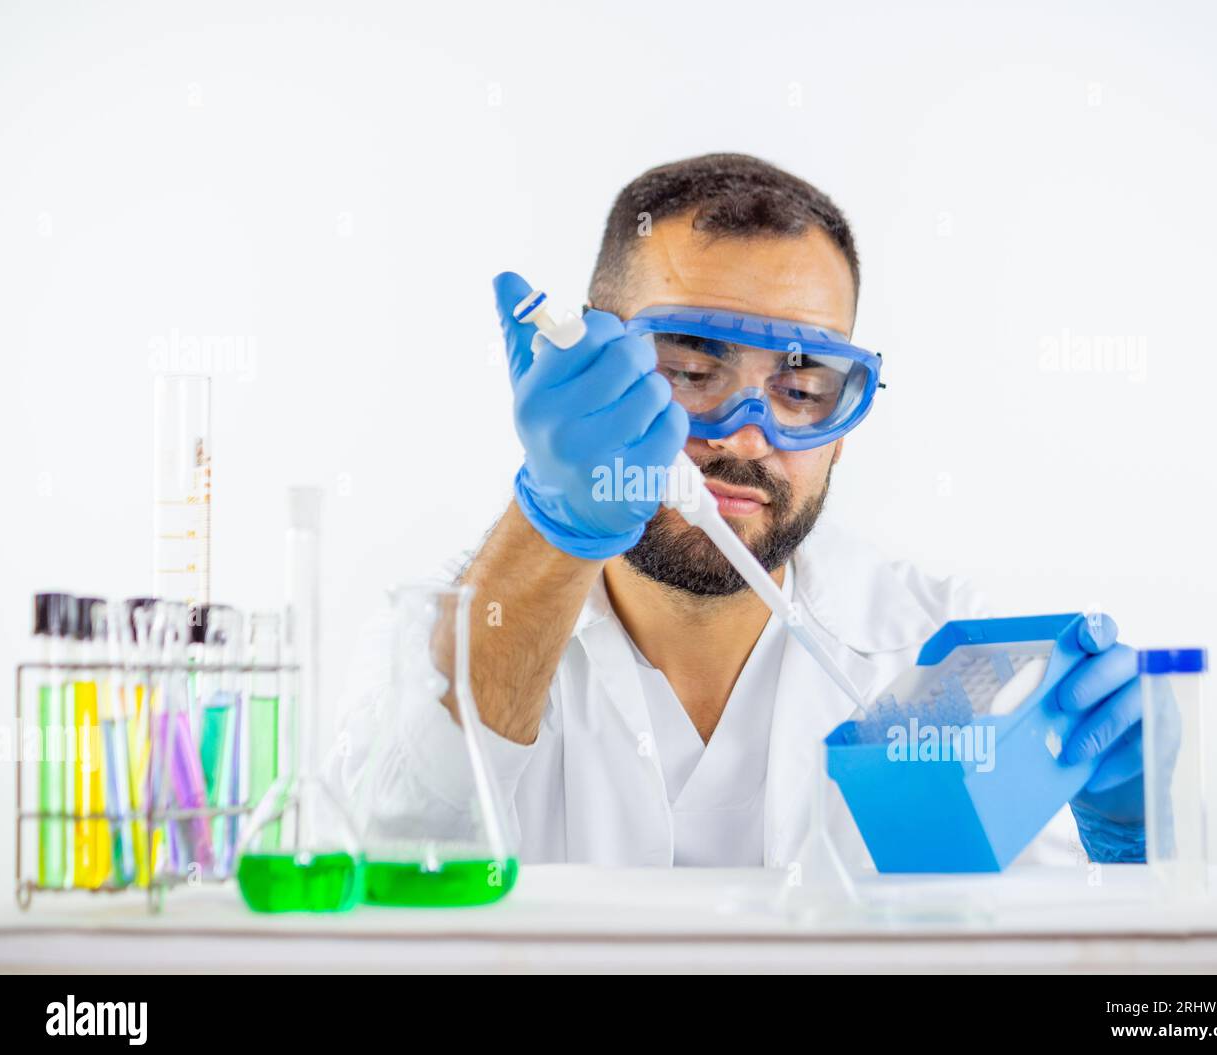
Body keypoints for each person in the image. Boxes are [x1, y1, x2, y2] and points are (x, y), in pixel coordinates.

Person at [334, 153, 1145, 871]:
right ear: (592, 369)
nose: (749, 437)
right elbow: (387, 880)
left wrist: (1129, 856)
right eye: (690, 371)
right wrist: (551, 523)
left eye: (800, 390)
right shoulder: (450, 630)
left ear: (843, 426)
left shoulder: (940, 653)